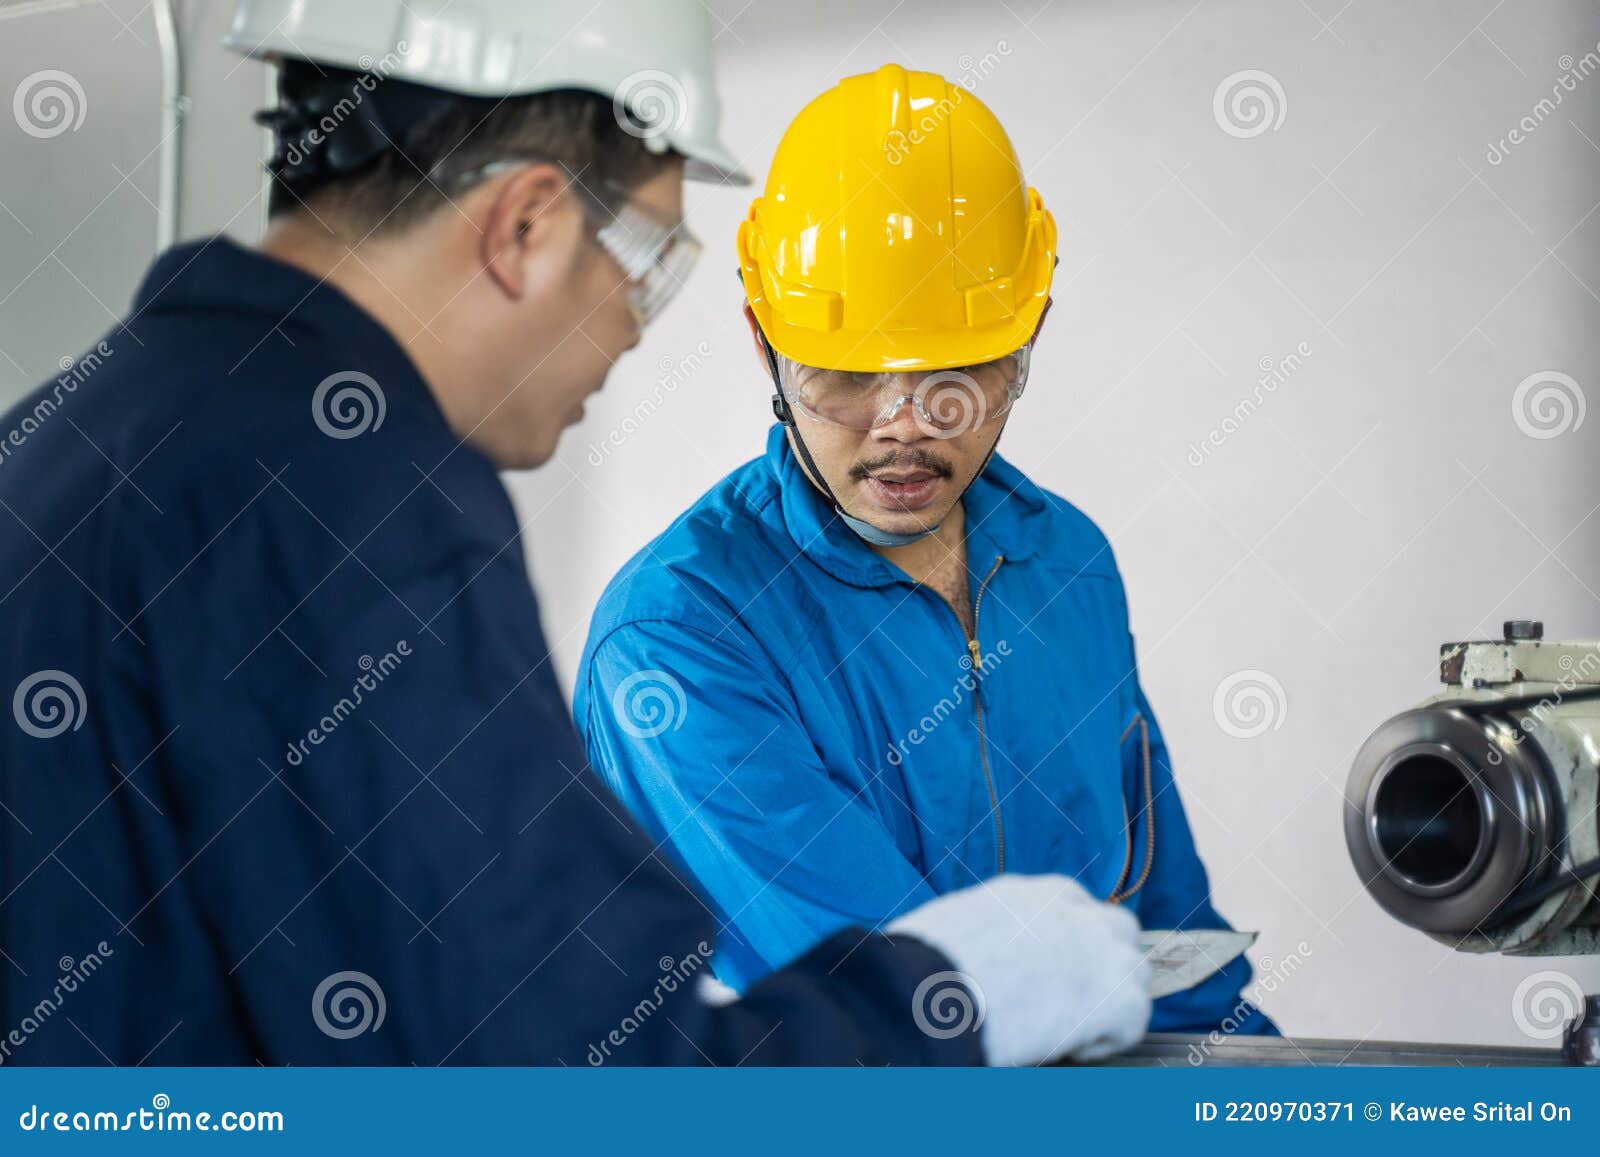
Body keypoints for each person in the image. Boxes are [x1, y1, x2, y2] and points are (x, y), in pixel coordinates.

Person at [0, 3, 1152, 1066]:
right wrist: (952, 993)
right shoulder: (359, 499)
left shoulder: (67, 436)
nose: (632, 333)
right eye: (648, 266)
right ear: (527, 223)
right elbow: (571, 1082)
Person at [578, 65, 1275, 1036]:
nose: (906, 426)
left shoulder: (1065, 561)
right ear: (761, 341)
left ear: (1025, 331)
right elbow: (909, 1010)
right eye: (852, 375)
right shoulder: (679, 639)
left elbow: (1171, 943)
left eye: (960, 368)